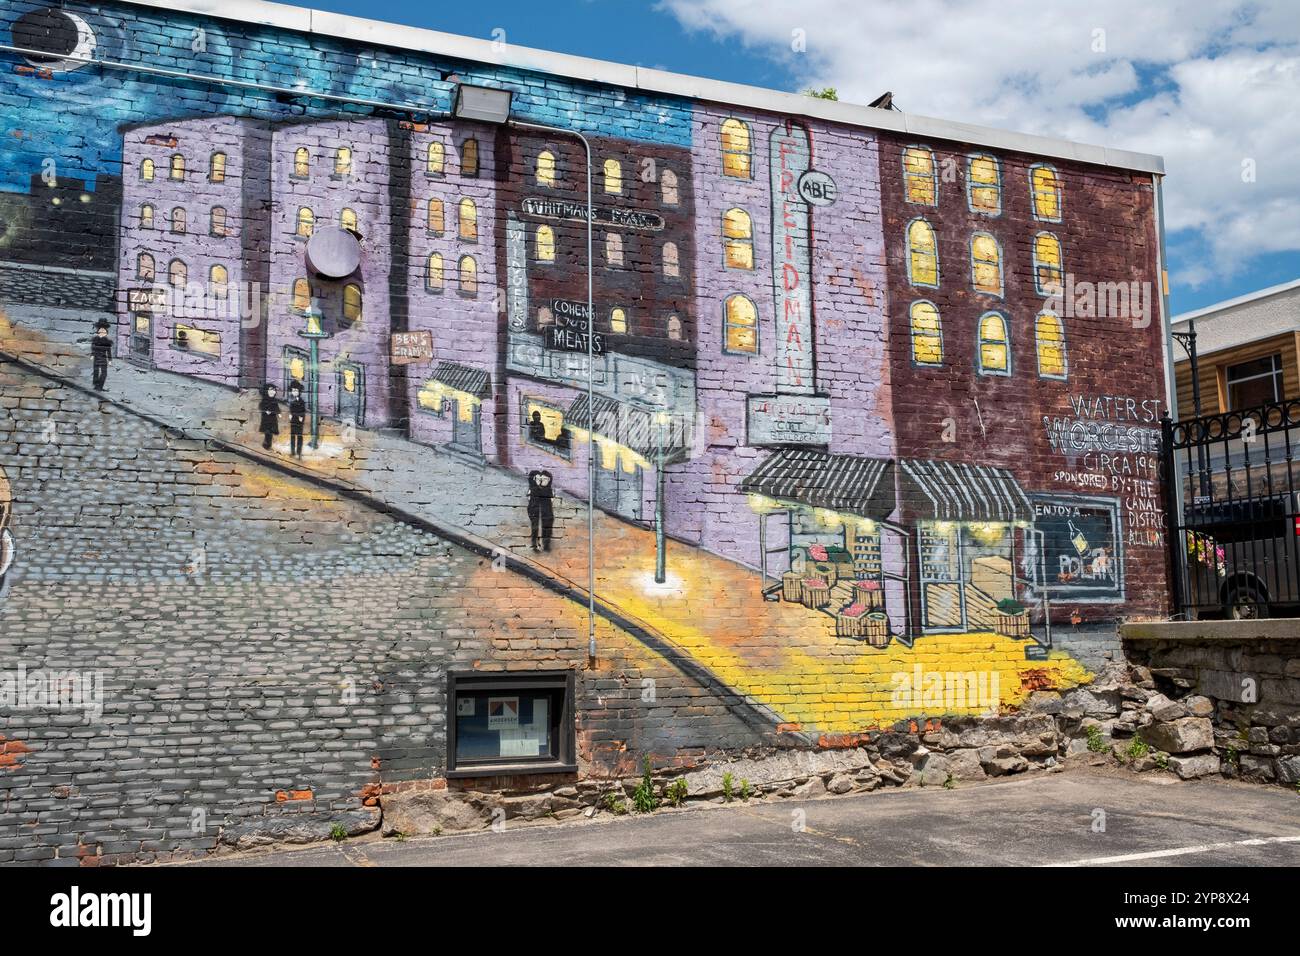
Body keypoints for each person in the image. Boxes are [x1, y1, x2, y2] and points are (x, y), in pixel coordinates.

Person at [527, 469, 555, 552]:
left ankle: (546, 544)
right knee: (536, 527)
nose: (541, 481)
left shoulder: (549, 490)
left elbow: (551, 500)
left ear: (549, 480)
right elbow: (530, 500)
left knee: (546, 528)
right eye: (539, 479)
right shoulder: (533, 489)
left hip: (547, 512)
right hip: (535, 511)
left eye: (544, 479)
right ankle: (535, 544)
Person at [90, 319, 113, 390]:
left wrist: (109, 360)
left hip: (103, 358)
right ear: (98, 331)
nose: (102, 332)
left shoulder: (107, 341)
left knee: (104, 373)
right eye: (101, 331)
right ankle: (95, 383)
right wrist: (92, 355)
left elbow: (109, 351)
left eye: (104, 331)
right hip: (96, 357)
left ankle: (99, 386)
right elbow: (93, 348)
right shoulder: (95, 339)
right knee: (96, 371)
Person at [287, 380, 307, 458]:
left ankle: (299, 452)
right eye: (293, 390)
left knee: (299, 436)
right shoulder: (292, 401)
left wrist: (301, 417)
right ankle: (292, 452)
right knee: (292, 436)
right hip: (293, 420)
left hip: (299, 420)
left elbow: (303, 410)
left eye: (296, 390)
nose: (294, 392)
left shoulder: (301, 401)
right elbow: (291, 409)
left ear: (299, 391)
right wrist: (290, 415)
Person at [258, 384, 280, 450]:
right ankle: (266, 445)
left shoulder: (274, 400)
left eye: (274, 390)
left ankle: (268, 445)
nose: (273, 392)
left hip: (273, 419)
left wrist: (278, 413)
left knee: (271, 432)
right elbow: (261, 406)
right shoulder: (265, 400)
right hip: (266, 419)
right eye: (271, 390)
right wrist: (266, 410)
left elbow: (276, 408)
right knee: (267, 432)